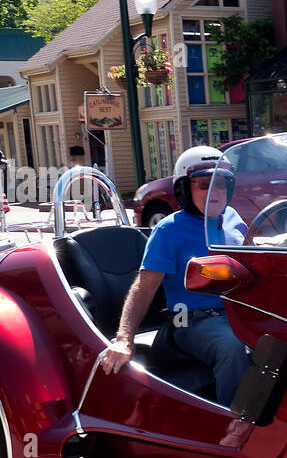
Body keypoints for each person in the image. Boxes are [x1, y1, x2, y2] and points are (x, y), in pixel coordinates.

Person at [99, 146, 252, 406]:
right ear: (184, 189)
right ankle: (236, 429)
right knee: (232, 348)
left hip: (238, 314)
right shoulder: (169, 230)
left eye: (221, 185)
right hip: (188, 322)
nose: (214, 192)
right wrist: (124, 340)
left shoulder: (234, 220)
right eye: (204, 185)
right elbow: (143, 288)